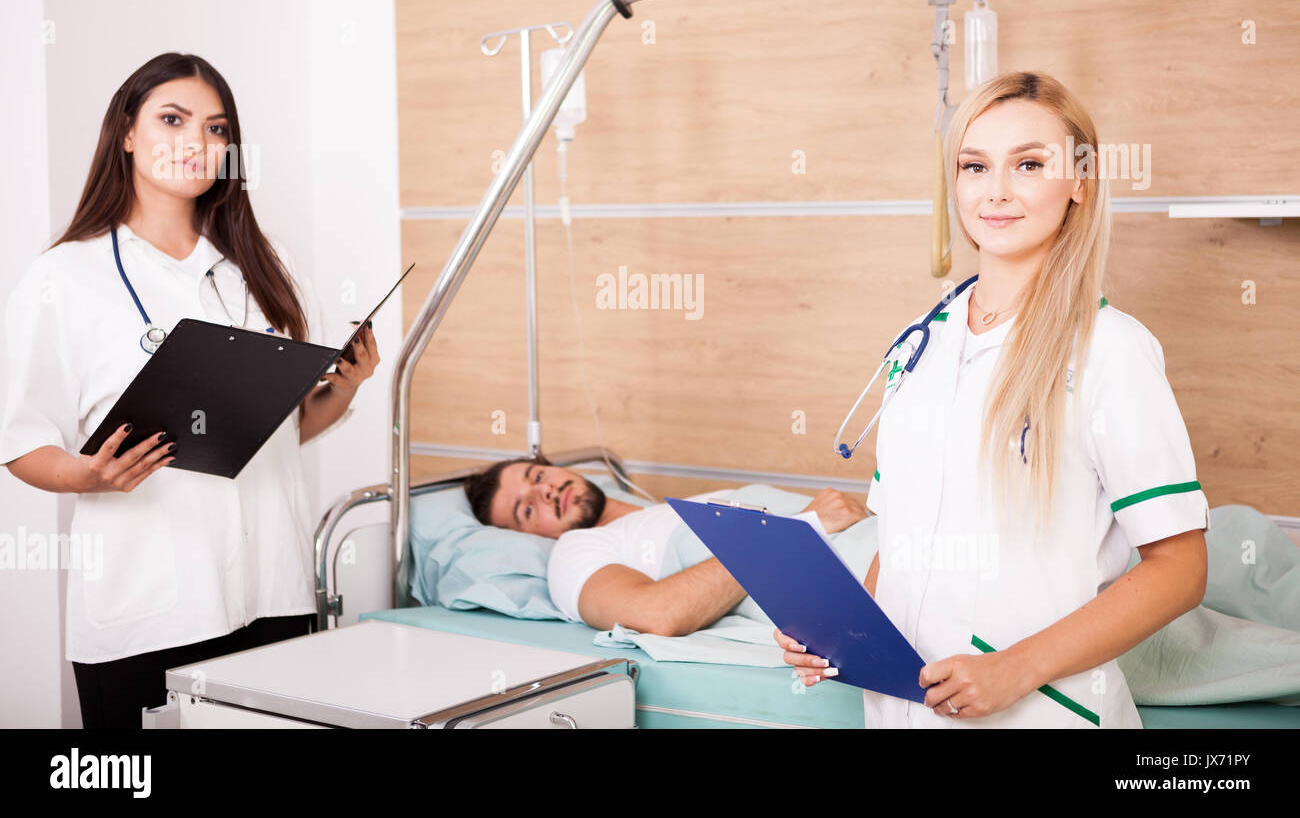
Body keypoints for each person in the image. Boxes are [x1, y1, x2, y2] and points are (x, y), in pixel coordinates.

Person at [776, 70, 1210, 728]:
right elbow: (900, 541)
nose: (996, 191)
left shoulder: (1109, 351)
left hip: (1041, 714)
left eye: (1029, 164)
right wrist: (844, 637)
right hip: (902, 709)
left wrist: (1018, 666)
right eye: (974, 166)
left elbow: (1180, 566)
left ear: (1079, 183)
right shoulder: (919, 347)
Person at [0, 52, 380, 729]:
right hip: (146, 606)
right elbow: (21, 441)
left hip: (273, 592)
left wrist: (343, 391)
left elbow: (275, 431)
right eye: (172, 120)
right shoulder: (65, 278)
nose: (196, 143)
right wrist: (85, 475)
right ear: (125, 131)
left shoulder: (268, 267)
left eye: (216, 129)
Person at [464, 455, 867, 636]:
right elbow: (659, 614)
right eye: (527, 510)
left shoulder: (654, 513)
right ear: (524, 537)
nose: (546, 493)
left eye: (537, 476)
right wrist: (802, 527)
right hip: (854, 570)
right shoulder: (574, 552)